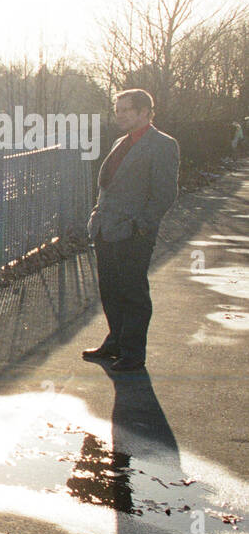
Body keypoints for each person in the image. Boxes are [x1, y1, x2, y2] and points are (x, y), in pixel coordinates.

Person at [82, 89, 180, 371]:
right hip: (105, 229)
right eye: (118, 110)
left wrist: (141, 226)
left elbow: (164, 194)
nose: (120, 115)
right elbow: (109, 186)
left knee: (133, 292)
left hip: (133, 234)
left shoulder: (162, 144)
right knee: (110, 289)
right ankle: (116, 342)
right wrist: (97, 216)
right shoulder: (118, 142)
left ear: (145, 112)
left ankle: (134, 352)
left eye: (127, 110)